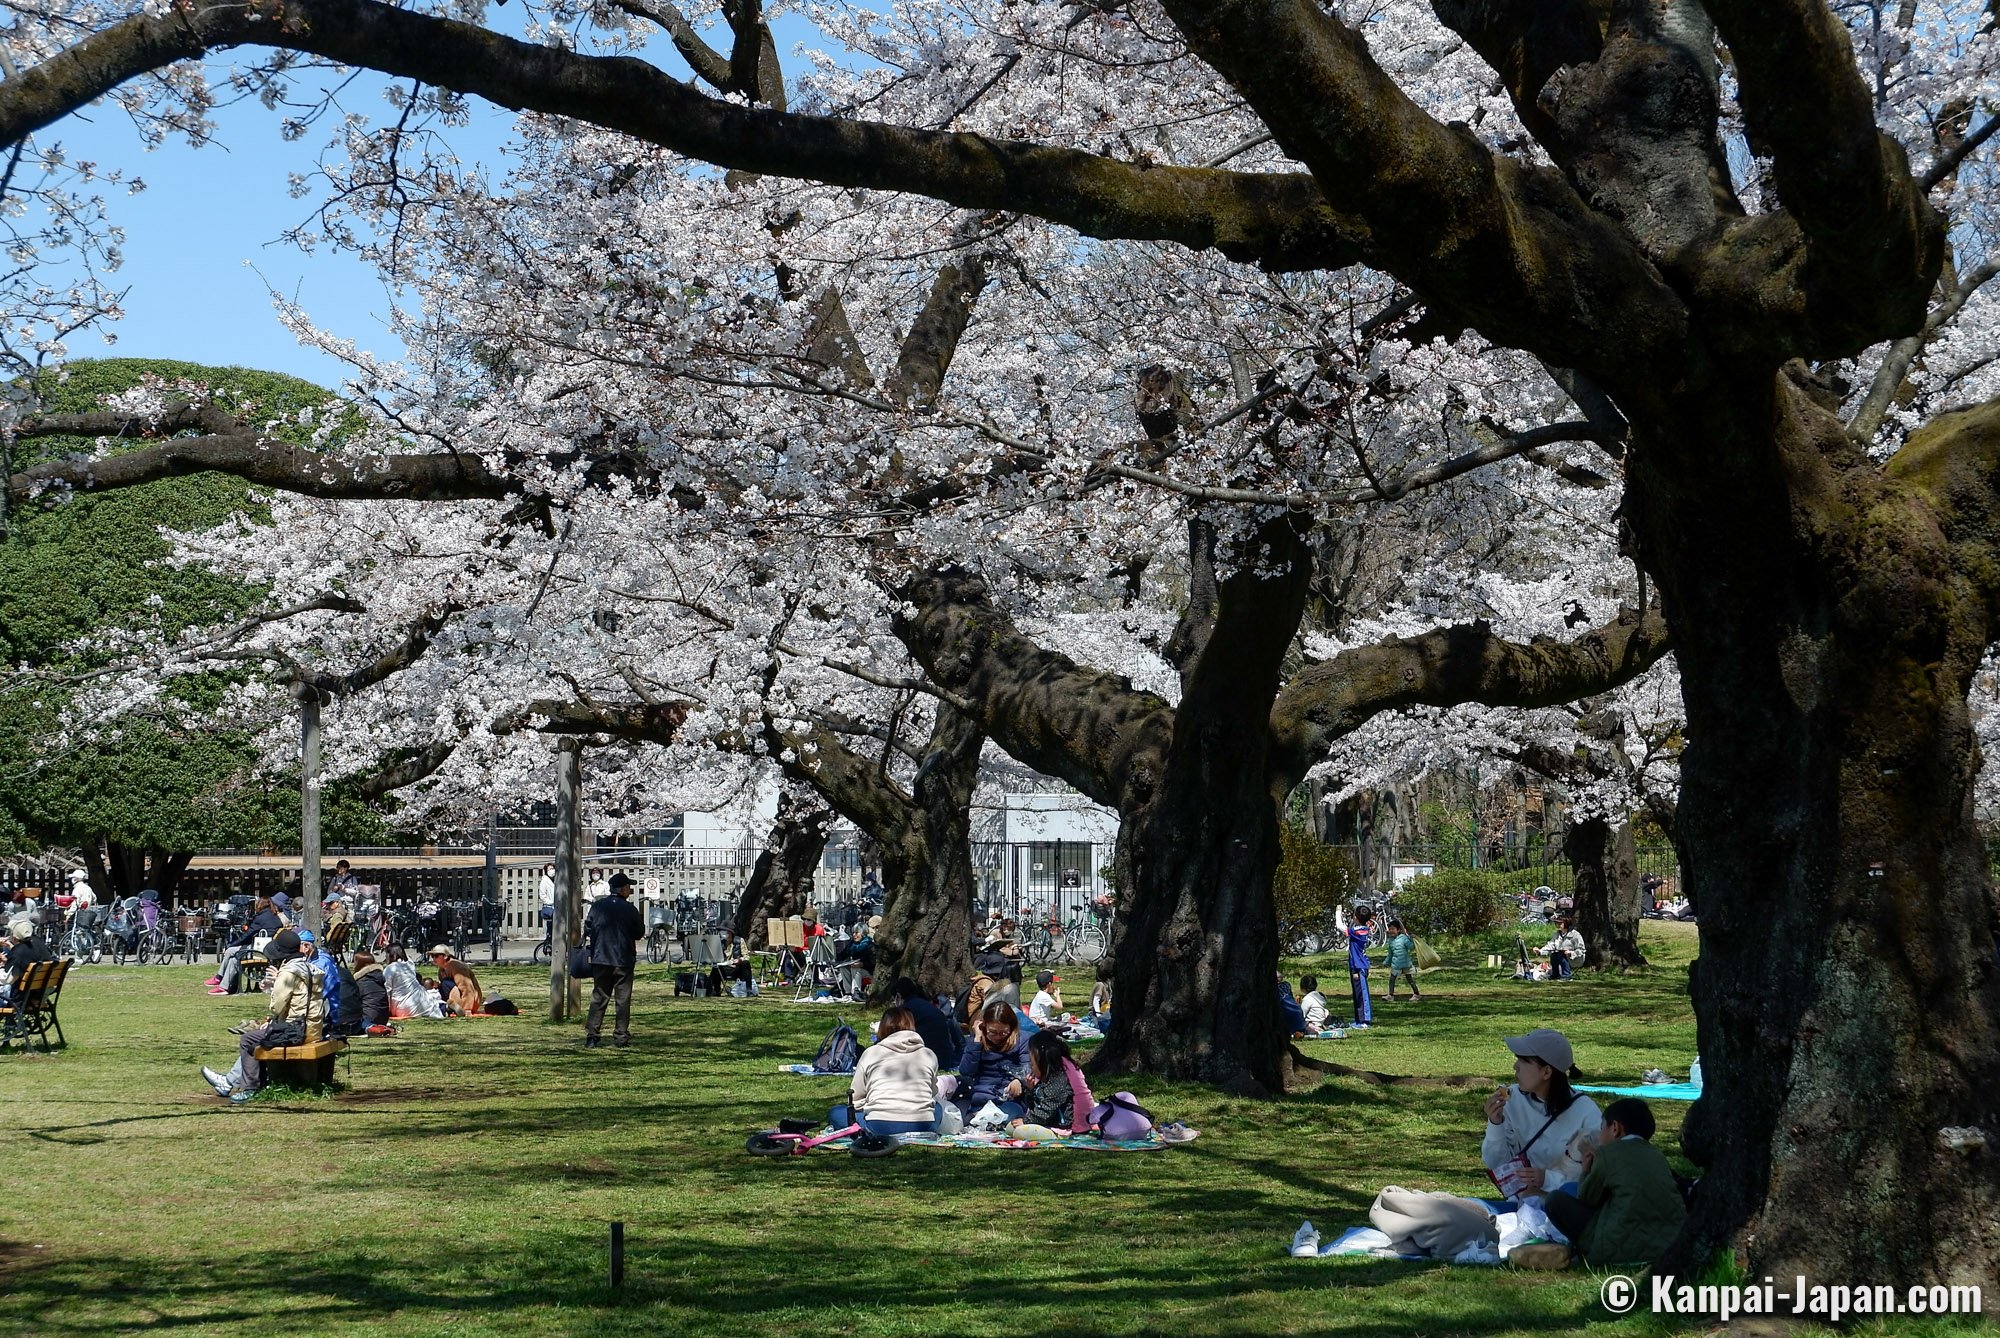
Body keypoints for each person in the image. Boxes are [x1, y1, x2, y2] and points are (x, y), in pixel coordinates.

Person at [1539, 1097, 1687, 1267]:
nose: (1600, 1136)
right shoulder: (1657, 1155)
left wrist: (1586, 1170)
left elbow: (1587, 1197)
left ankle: (1582, 1249)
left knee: (1556, 1200)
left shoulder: (1606, 1154)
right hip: (1667, 1245)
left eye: (1602, 1129)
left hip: (1616, 1248)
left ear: (1615, 1128)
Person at [199, 930, 327, 1103]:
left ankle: (250, 1088)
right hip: (313, 1027)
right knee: (262, 1034)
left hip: (296, 1030)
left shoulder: (288, 972)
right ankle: (231, 1083)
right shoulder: (308, 967)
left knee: (248, 1040)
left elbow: (276, 1006)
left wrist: (273, 988)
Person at [1481, 1028, 1602, 1200]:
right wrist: (1495, 1123)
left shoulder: (1586, 1113)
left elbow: (1596, 1178)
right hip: (1520, 1204)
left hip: (1564, 1209)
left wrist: (1547, 1179)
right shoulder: (1513, 1099)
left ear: (1546, 1072)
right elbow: (1496, 1163)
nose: (1515, 1067)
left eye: (1523, 1061)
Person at [830, 1006, 942, 1135]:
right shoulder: (929, 1054)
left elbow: (856, 1096)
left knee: (836, 1112)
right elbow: (932, 1092)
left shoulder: (871, 1053)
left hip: (878, 1125)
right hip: (923, 1125)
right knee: (938, 1107)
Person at [581, 871, 642, 1047]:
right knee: (622, 1000)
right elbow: (638, 933)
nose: (629, 890)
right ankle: (620, 1036)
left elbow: (588, 927)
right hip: (623, 959)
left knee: (599, 997)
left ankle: (592, 1036)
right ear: (622, 889)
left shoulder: (598, 906)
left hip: (601, 958)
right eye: (628, 887)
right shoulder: (630, 909)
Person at [951, 1000, 1030, 1120]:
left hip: (1009, 1099)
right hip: (980, 1095)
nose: (998, 1037)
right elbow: (966, 1072)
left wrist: (1019, 1080)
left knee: (1006, 1116)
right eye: (992, 1032)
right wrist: (977, 1041)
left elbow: (1028, 1067)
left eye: (1003, 1032)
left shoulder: (1022, 1040)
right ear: (984, 1026)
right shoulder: (977, 1041)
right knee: (961, 1117)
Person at [1013, 1029, 1093, 1133]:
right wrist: (1030, 1089)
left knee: (1020, 1131)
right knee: (1014, 1129)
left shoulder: (1059, 1080)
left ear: (1044, 1063)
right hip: (1049, 1123)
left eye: (1032, 1064)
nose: (1031, 1067)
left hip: (1064, 1127)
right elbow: (1034, 1105)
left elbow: (1046, 1110)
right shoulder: (1046, 1077)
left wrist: (1026, 1121)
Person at [210, 896, 288, 995]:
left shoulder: (260, 918)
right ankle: (224, 986)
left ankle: (219, 979)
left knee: (230, 951)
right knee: (234, 959)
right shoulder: (274, 916)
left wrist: (232, 945)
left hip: (260, 950)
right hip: (269, 948)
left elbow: (247, 936)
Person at [888, 976, 963, 1069]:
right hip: (945, 1059)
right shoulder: (929, 1006)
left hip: (925, 1061)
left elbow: (893, 1038)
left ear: (898, 996)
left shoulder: (905, 1011)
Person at [2, 917, 51, 1003]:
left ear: (14, 936)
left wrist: (2, 967)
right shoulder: (38, 943)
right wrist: (11, 948)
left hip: (20, 999)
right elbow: (28, 957)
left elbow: (7, 980)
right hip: (39, 993)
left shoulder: (18, 953)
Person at [427, 946, 485, 1016]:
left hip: (469, 1001)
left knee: (445, 983)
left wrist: (467, 1009)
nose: (433, 959)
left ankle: (452, 1008)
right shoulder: (442, 969)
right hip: (455, 997)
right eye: (432, 956)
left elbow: (467, 988)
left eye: (436, 956)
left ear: (445, 956)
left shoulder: (457, 967)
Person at [1346, 906, 1375, 1025]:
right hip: (1355, 966)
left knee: (1362, 994)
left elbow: (1341, 927)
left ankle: (1365, 1021)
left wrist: (1338, 913)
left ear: (1356, 917)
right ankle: (1358, 1019)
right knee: (1357, 994)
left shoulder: (1359, 931)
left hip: (1360, 967)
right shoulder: (1360, 929)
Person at [350, 951, 392, 1030]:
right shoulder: (378, 978)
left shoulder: (361, 981)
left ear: (359, 964)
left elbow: (353, 1002)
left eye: (354, 962)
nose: (353, 965)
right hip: (383, 1018)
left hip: (367, 1019)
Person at [1385, 918, 1422, 1000]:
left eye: (1393, 929)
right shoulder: (1390, 941)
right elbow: (1390, 953)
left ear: (1398, 930)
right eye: (1390, 929)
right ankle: (1390, 995)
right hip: (1396, 964)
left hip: (1406, 963)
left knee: (1410, 979)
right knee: (1392, 979)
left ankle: (1416, 994)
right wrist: (1387, 962)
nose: (1391, 931)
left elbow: (1411, 947)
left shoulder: (1403, 938)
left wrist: (1411, 939)